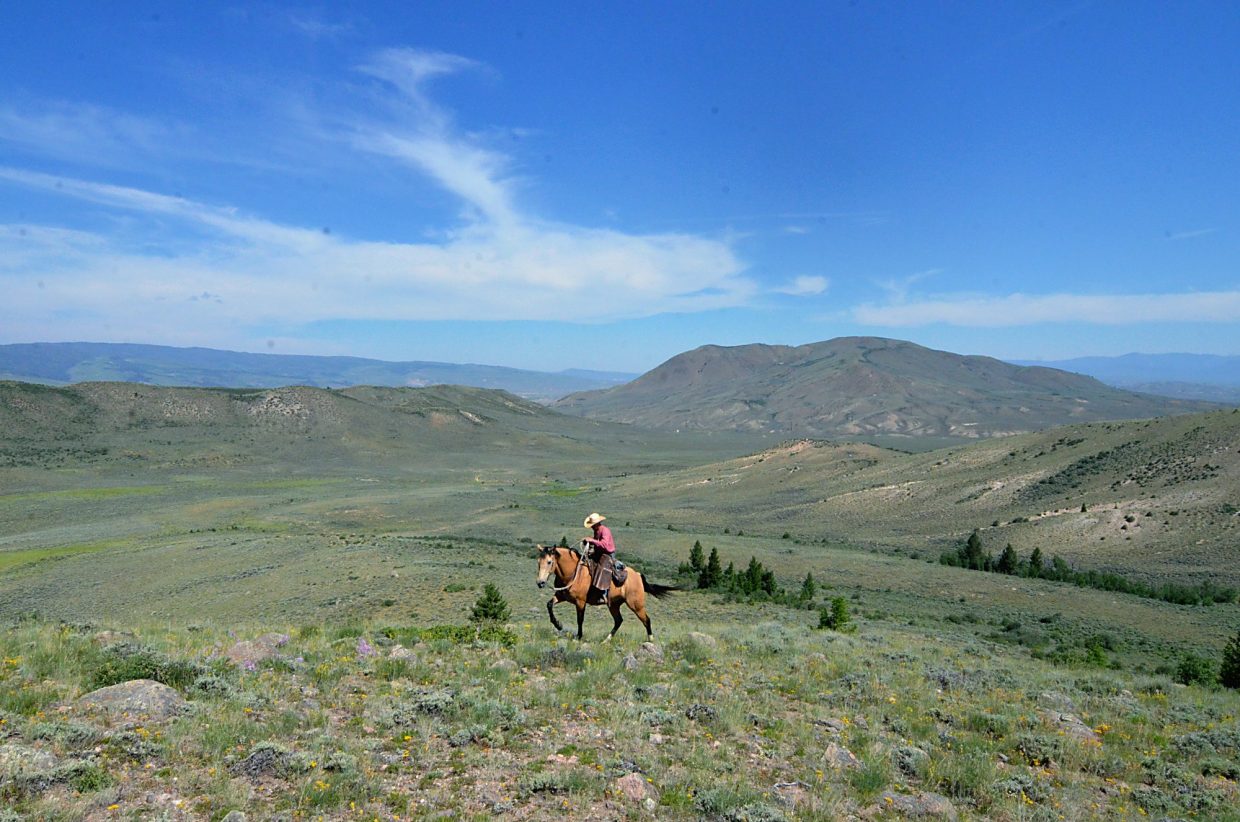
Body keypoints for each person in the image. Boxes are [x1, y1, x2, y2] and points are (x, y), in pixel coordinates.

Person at [581, 512, 616, 603]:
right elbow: (598, 542)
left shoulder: (605, 530)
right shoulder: (596, 531)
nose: (591, 527)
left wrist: (592, 540)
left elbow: (604, 545)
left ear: (597, 523)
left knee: (601, 568)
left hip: (608, 554)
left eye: (592, 525)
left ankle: (603, 592)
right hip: (600, 553)